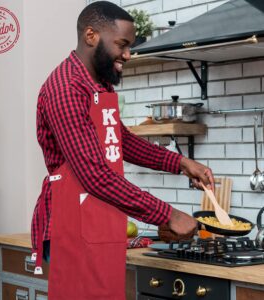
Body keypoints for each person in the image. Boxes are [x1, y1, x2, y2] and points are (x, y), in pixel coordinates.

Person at [31, 1, 214, 299]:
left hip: (101, 220)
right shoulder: (65, 88)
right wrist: (167, 214)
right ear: (91, 36)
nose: (128, 55)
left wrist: (180, 162)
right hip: (73, 224)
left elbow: (122, 140)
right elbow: (95, 176)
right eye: (122, 44)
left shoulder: (99, 85)